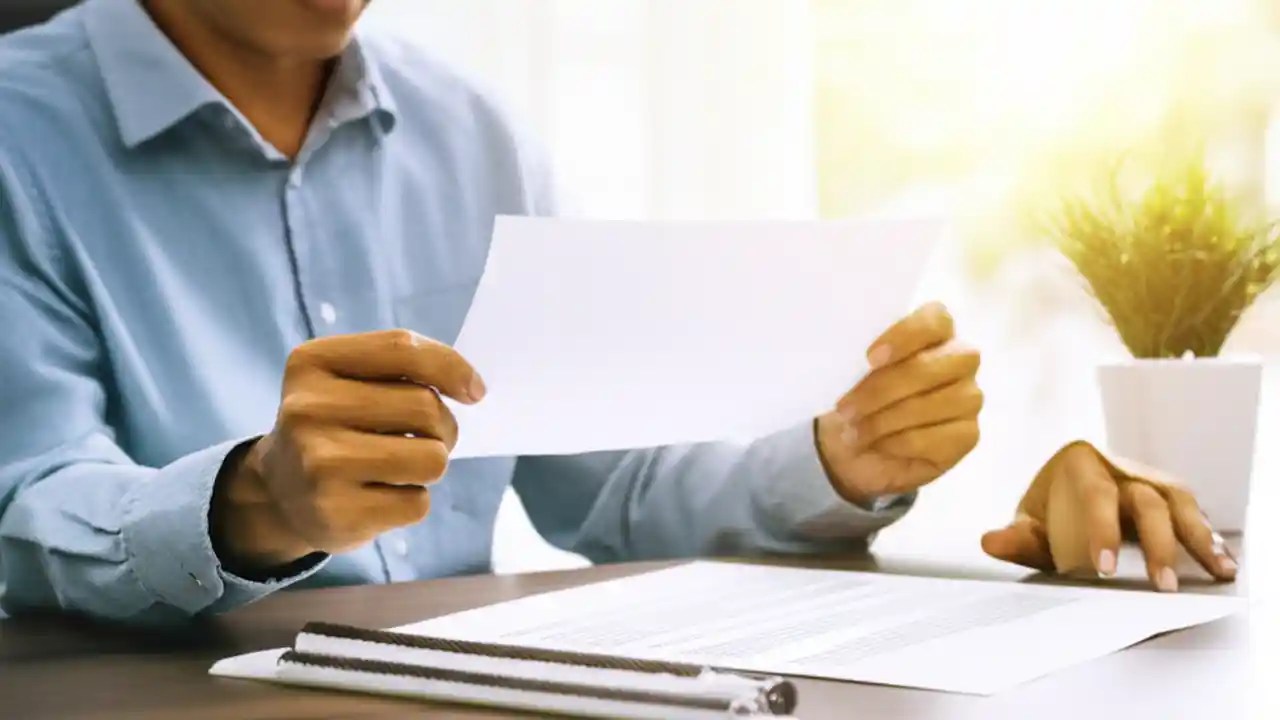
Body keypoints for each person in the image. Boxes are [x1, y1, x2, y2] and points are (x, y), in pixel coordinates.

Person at [0, 0, 1236, 623]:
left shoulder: (473, 134)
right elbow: (22, 501)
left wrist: (830, 459)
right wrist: (250, 503)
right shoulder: (19, 129)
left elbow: (603, 494)